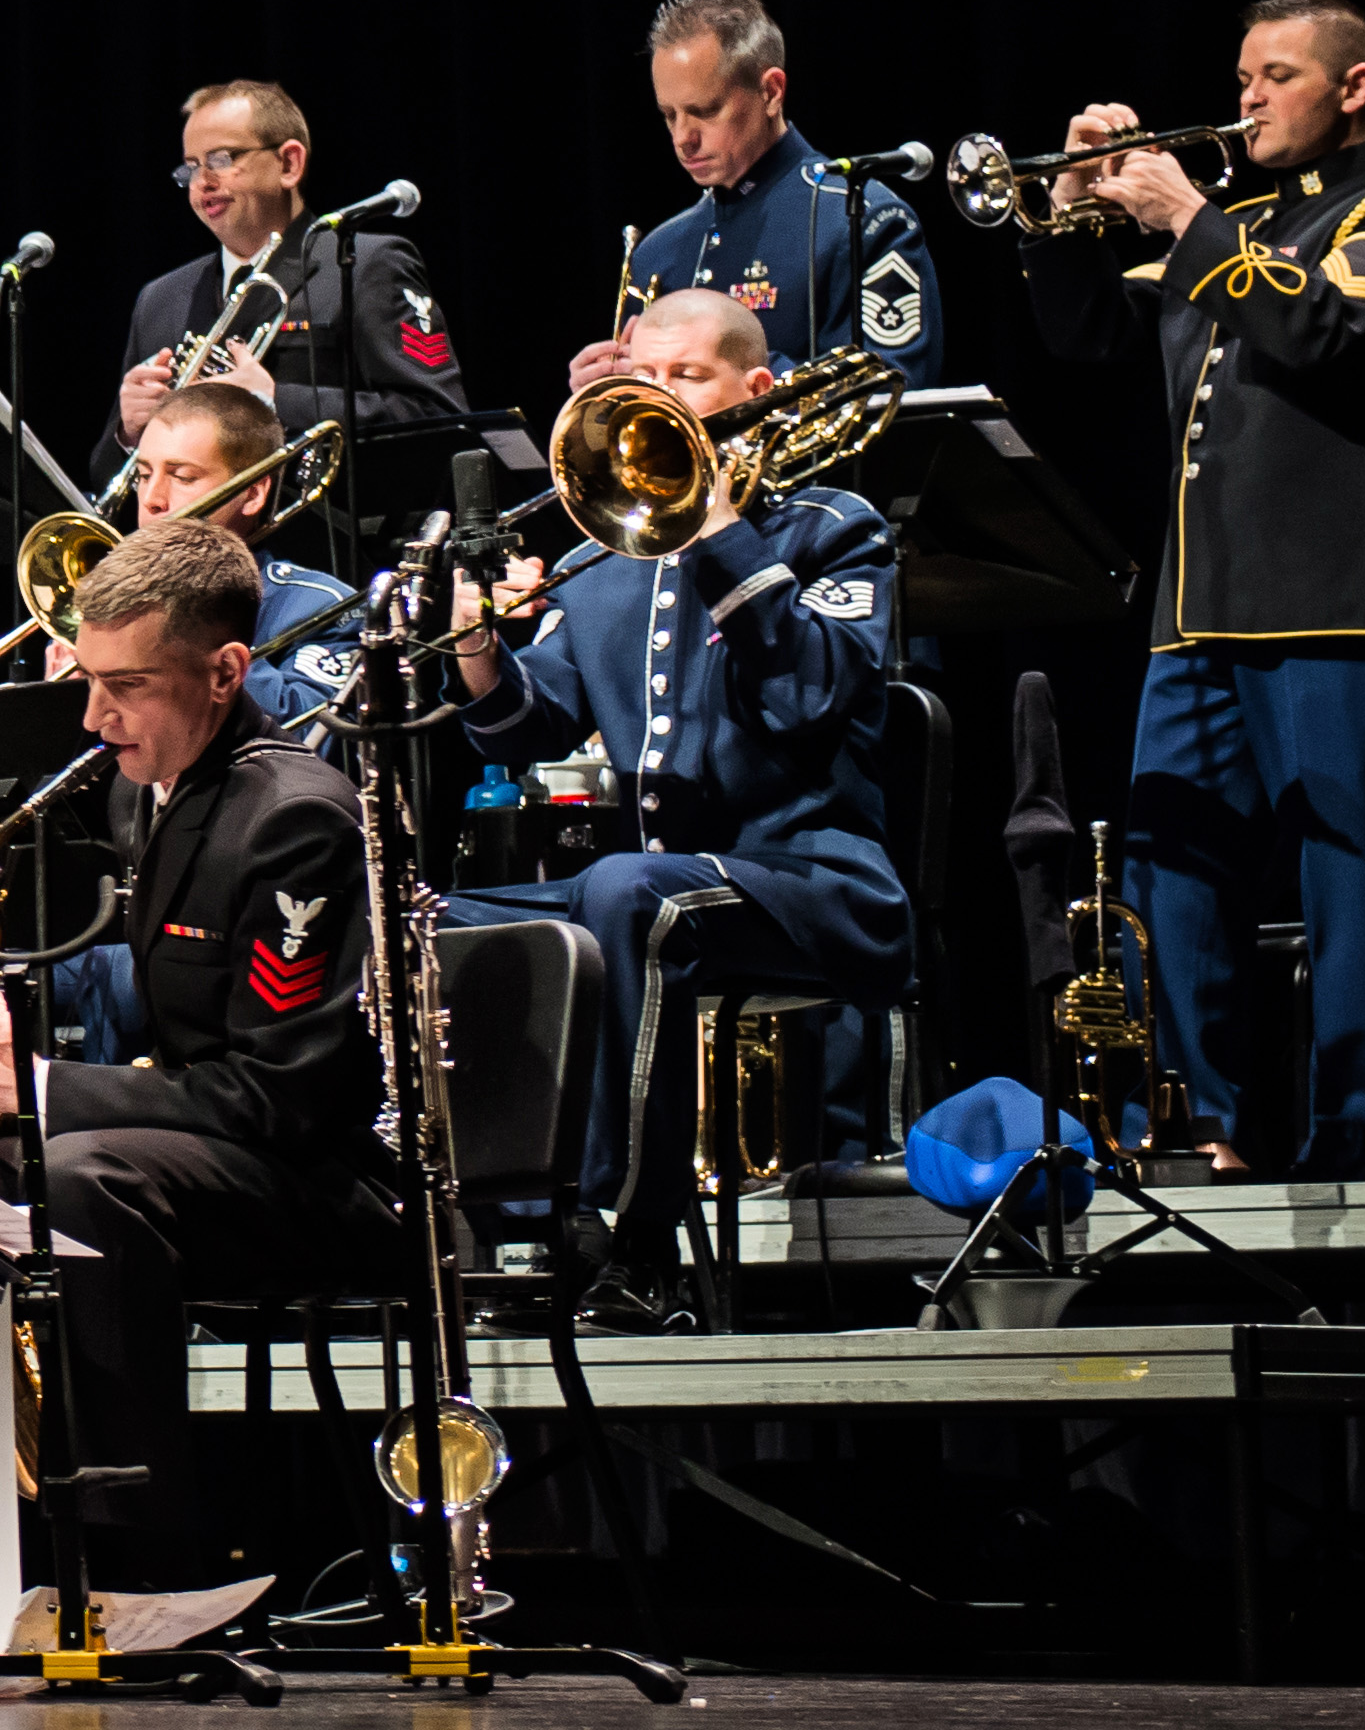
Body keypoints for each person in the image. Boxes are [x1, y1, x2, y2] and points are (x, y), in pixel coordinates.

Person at [1023, 0, 1365, 1174]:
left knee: (1345, 881)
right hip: (1193, 613)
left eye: (1275, 76)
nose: (1245, 100)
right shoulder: (1231, 226)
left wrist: (1185, 214)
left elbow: (1324, 326)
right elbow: (1084, 335)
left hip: (1333, 602)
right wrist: (1066, 211)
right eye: (1240, 77)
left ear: (1352, 88)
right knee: (1168, 879)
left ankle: (1360, 1144)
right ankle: (1195, 1130)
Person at [0, 520, 390, 1585]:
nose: (91, 716)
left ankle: (138, 1559)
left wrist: (37, 1088)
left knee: (81, 1176)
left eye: (125, 686)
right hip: (222, 1158)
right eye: (87, 679)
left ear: (224, 673)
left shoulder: (296, 819)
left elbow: (280, 1098)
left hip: (325, 1182)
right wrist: (15, 1059)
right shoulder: (142, 786)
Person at [440, 292, 905, 1248]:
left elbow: (813, 693)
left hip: (818, 881)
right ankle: (515, 1226)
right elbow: (527, 727)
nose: (659, 397)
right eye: (642, 377)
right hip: (653, 886)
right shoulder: (607, 556)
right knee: (430, 923)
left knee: (628, 891)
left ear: (756, 389)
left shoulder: (834, 527)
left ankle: (637, 1234)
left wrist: (722, 531)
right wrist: (478, 645)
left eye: (686, 376)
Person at [111, 79, 469, 477]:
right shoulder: (160, 299)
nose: (202, 183)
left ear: (289, 164)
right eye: (191, 167)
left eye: (221, 159)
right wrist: (129, 432)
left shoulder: (367, 265)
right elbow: (102, 477)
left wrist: (273, 400)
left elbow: (437, 417)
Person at [621, 0, 947, 385]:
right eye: (669, 115)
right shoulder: (657, 253)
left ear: (771, 92)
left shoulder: (863, 220)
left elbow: (894, 385)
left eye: (705, 110)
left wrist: (728, 370)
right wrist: (613, 386)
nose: (682, 137)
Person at [123, 380, 359, 729]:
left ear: (252, 494)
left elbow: (310, 736)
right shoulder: (116, 600)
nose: (152, 499)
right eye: (143, 475)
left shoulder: (324, 608)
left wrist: (194, 631)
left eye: (183, 477)